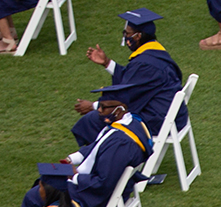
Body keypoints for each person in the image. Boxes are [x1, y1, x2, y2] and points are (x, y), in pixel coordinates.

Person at [75, 9, 183, 146]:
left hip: (158, 120)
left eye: (127, 33)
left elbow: (127, 97)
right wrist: (107, 63)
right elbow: (133, 81)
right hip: (170, 113)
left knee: (94, 120)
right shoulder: (155, 52)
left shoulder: (145, 64)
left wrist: (94, 106)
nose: (125, 37)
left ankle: (102, 156)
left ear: (138, 36)